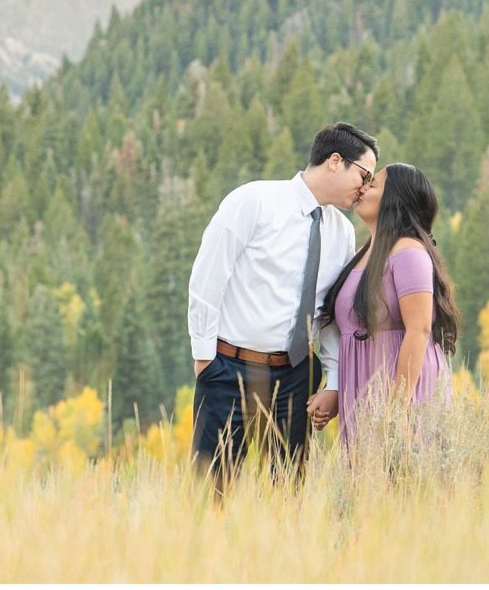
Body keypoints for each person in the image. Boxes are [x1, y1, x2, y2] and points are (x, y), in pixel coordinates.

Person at [187, 122, 378, 485]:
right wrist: (204, 359)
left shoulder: (340, 232)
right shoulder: (254, 201)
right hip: (228, 370)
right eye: (364, 175)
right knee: (211, 489)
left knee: (288, 490)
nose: (365, 188)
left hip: (295, 378)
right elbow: (207, 279)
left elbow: (329, 315)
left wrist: (334, 381)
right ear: (335, 161)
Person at [308, 163, 458, 445]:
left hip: (400, 397)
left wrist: (396, 409)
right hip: (364, 393)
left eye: (372, 184)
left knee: (405, 481)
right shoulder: (367, 253)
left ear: (395, 200)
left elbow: (419, 329)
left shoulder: (408, 252)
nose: (362, 188)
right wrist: (336, 391)